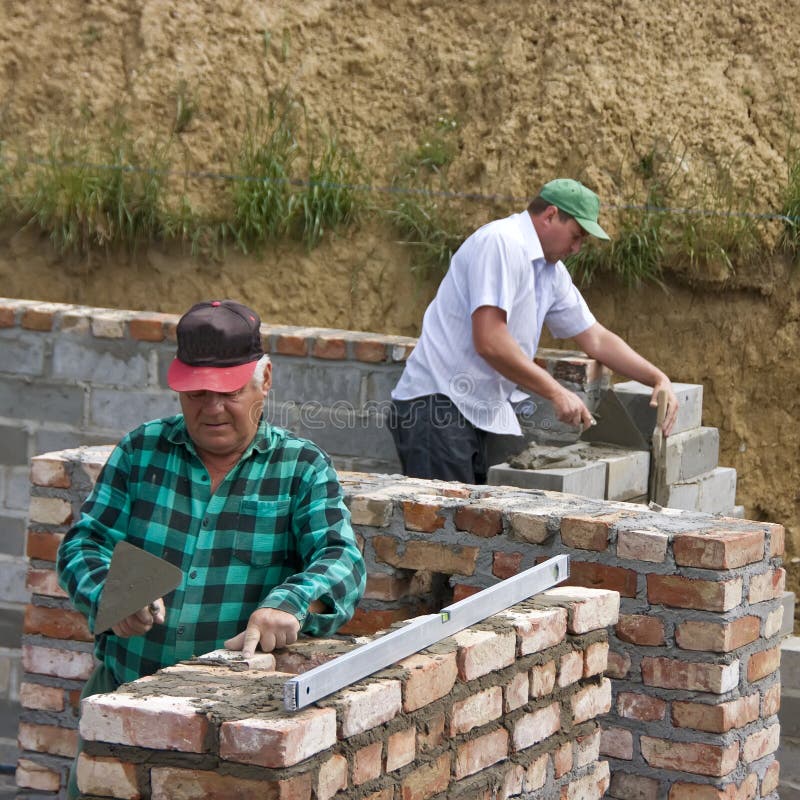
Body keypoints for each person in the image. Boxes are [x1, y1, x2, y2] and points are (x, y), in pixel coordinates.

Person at [57, 299, 366, 798]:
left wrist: (289, 604)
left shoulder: (300, 468)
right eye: (197, 393)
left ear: (265, 379)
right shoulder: (142, 452)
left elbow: (342, 560)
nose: (212, 408)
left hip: (232, 738)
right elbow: (83, 543)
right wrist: (110, 596)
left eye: (229, 392)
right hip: (124, 707)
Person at [390, 178, 679, 484]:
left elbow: (595, 337)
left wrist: (657, 378)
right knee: (443, 524)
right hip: (436, 408)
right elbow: (489, 340)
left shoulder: (550, 272)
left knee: (486, 520)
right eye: (576, 236)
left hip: (482, 411)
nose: (577, 248)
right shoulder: (501, 243)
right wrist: (555, 391)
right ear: (550, 215)